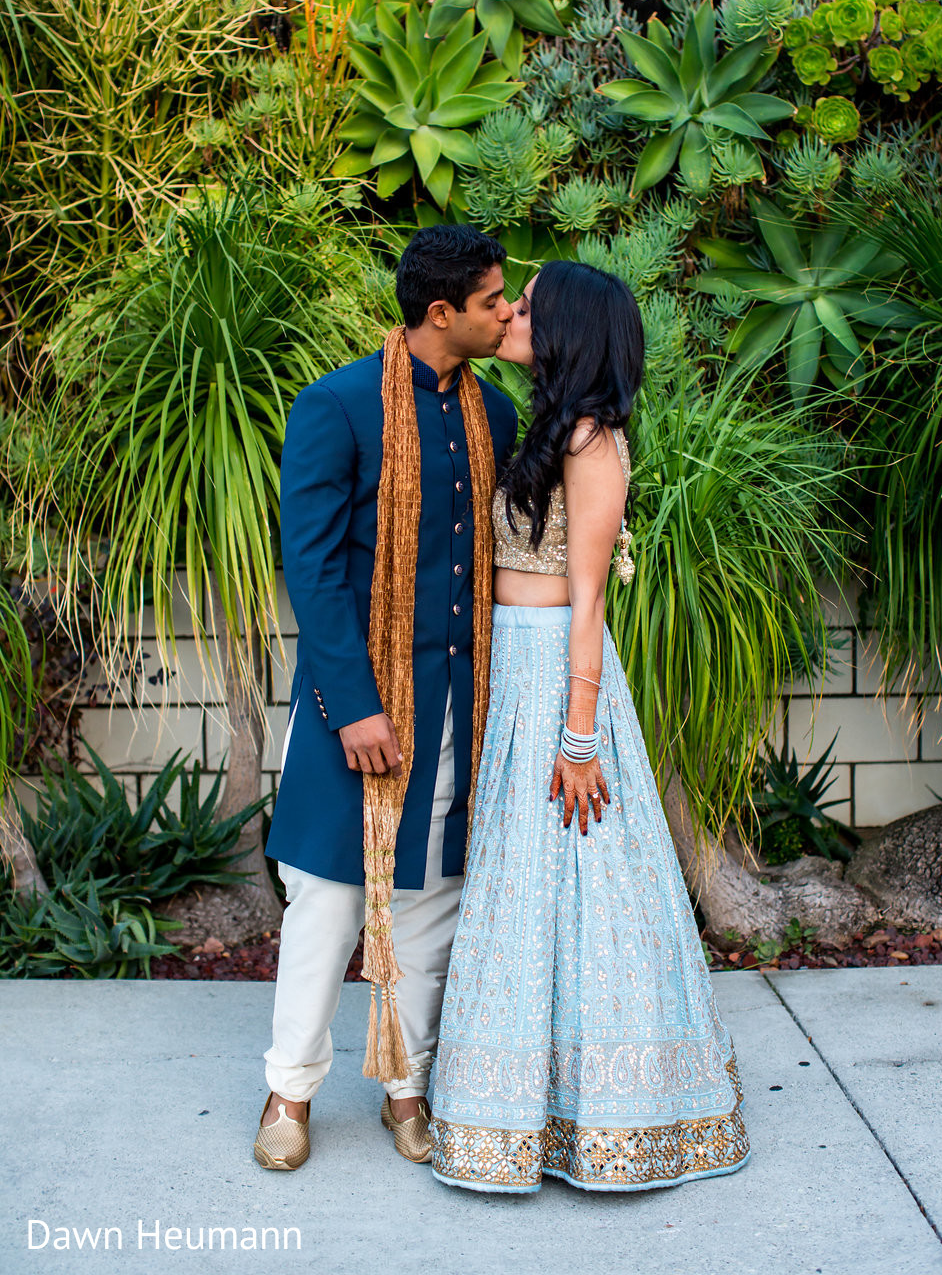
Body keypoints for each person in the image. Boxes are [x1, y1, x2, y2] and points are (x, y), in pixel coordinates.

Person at [429, 260, 750, 1193]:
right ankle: (526, 1109)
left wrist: (578, 738)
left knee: (589, 879)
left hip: (562, 686)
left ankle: (616, 1113)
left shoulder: (593, 439)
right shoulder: (546, 427)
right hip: (514, 674)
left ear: (568, 329)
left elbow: (589, 601)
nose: (513, 315)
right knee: (524, 885)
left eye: (528, 306)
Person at [254, 224, 518, 1171]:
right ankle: (289, 1093)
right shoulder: (336, 406)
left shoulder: (496, 413)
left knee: (432, 896)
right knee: (327, 896)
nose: (508, 312)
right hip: (353, 703)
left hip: (459, 697)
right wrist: (354, 705)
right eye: (495, 301)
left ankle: (408, 1085)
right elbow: (314, 571)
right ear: (441, 312)